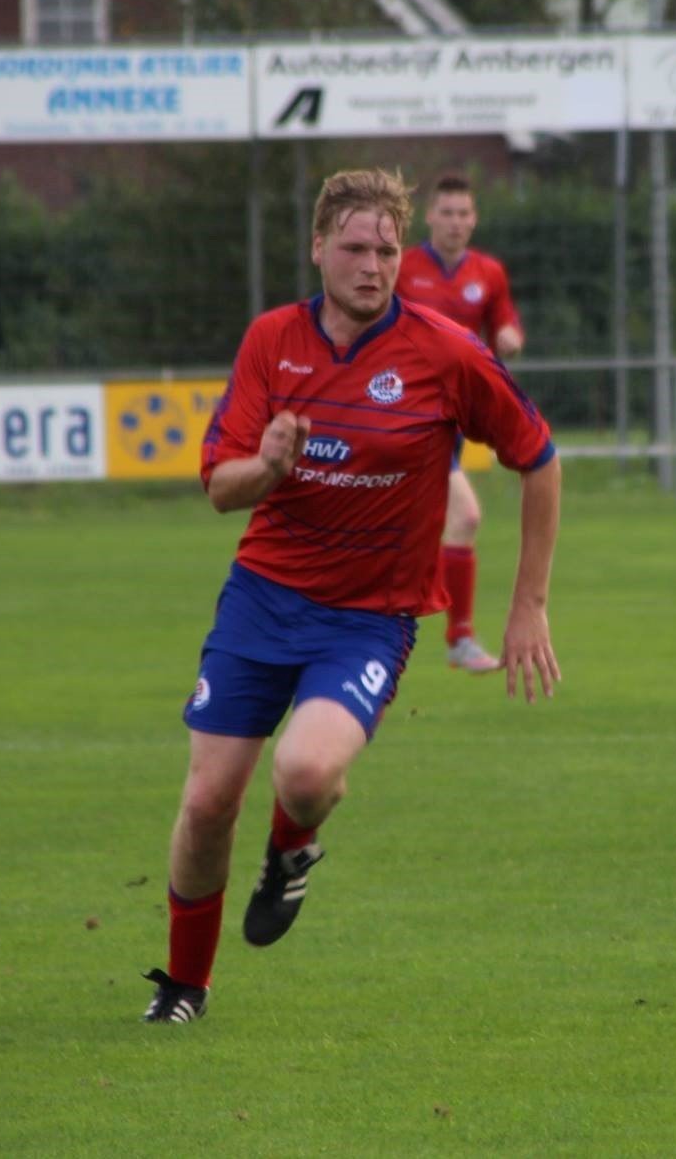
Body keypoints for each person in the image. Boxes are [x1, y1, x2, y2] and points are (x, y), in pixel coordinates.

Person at [142, 168, 562, 1025]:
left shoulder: (444, 352)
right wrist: (270, 464)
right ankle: (185, 987)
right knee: (207, 801)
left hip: (367, 620)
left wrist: (529, 604)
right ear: (318, 248)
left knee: (305, 770)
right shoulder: (272, 341)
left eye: (386, 249)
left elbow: (540, 456)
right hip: (261, 599)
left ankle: (290, 850)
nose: (373, 265)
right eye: (355, 247)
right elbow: (222, 489)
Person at [393, 173, 525, 674]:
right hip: (405, 410)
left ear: (474, 219)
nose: (455, 221)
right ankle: (458, 638)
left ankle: (434, 633)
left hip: (450, 416)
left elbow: (504, 320)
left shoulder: (488, 273)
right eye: (446, 212)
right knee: (462, 517)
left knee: (416, 524)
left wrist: (510, 335)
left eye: (463, 213)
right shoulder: (402, 268)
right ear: (429, 217)